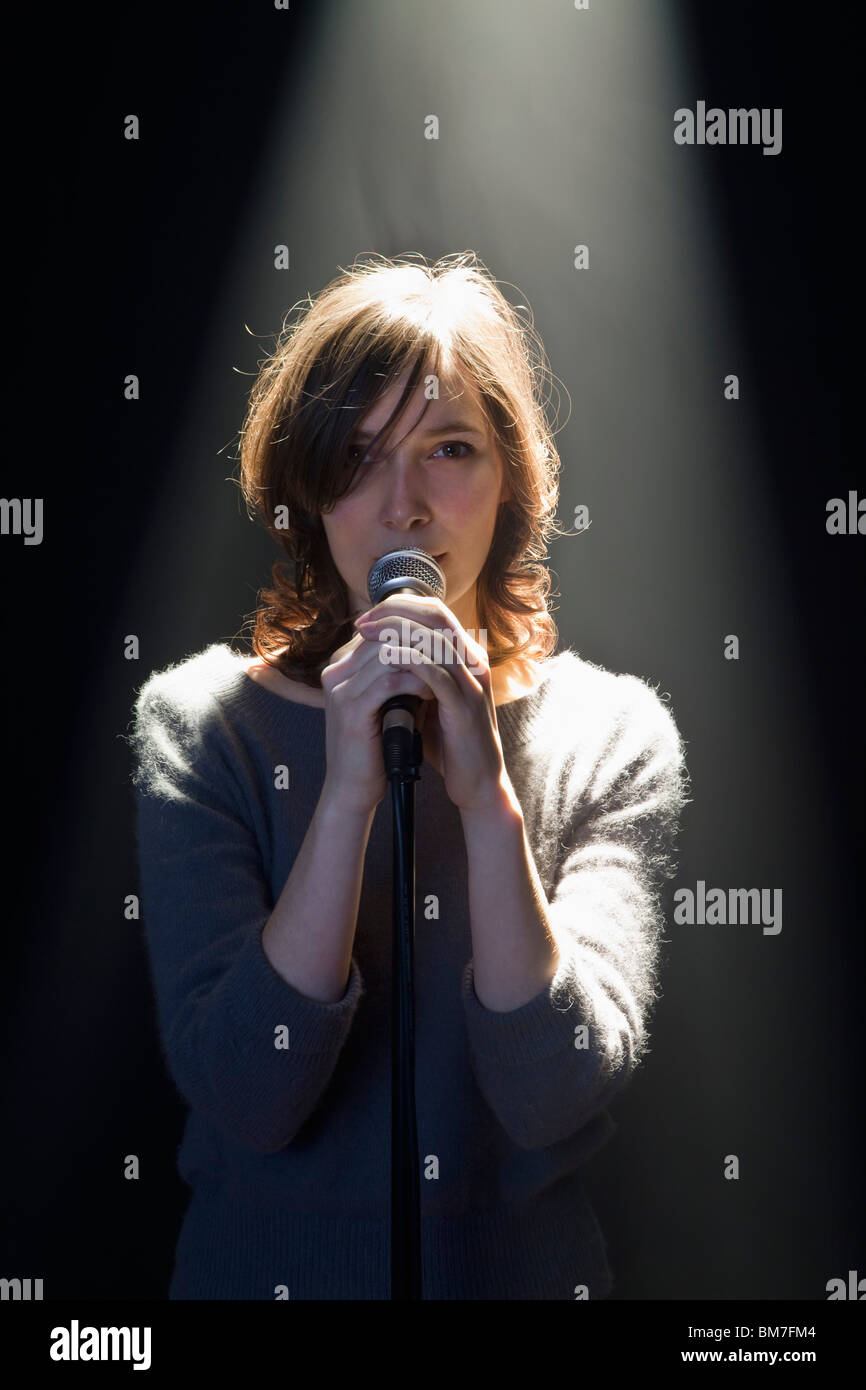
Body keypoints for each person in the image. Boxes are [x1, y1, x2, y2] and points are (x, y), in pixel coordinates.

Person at [127, 250, 690, 1300]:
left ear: (511, 481)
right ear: (306, 490)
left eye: (447, 448)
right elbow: (251, 1093)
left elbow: (551, 1091)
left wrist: (487, 801)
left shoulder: (612, 735)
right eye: (356, 451)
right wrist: (345, 794)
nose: (403, 506)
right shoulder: (200, 727)